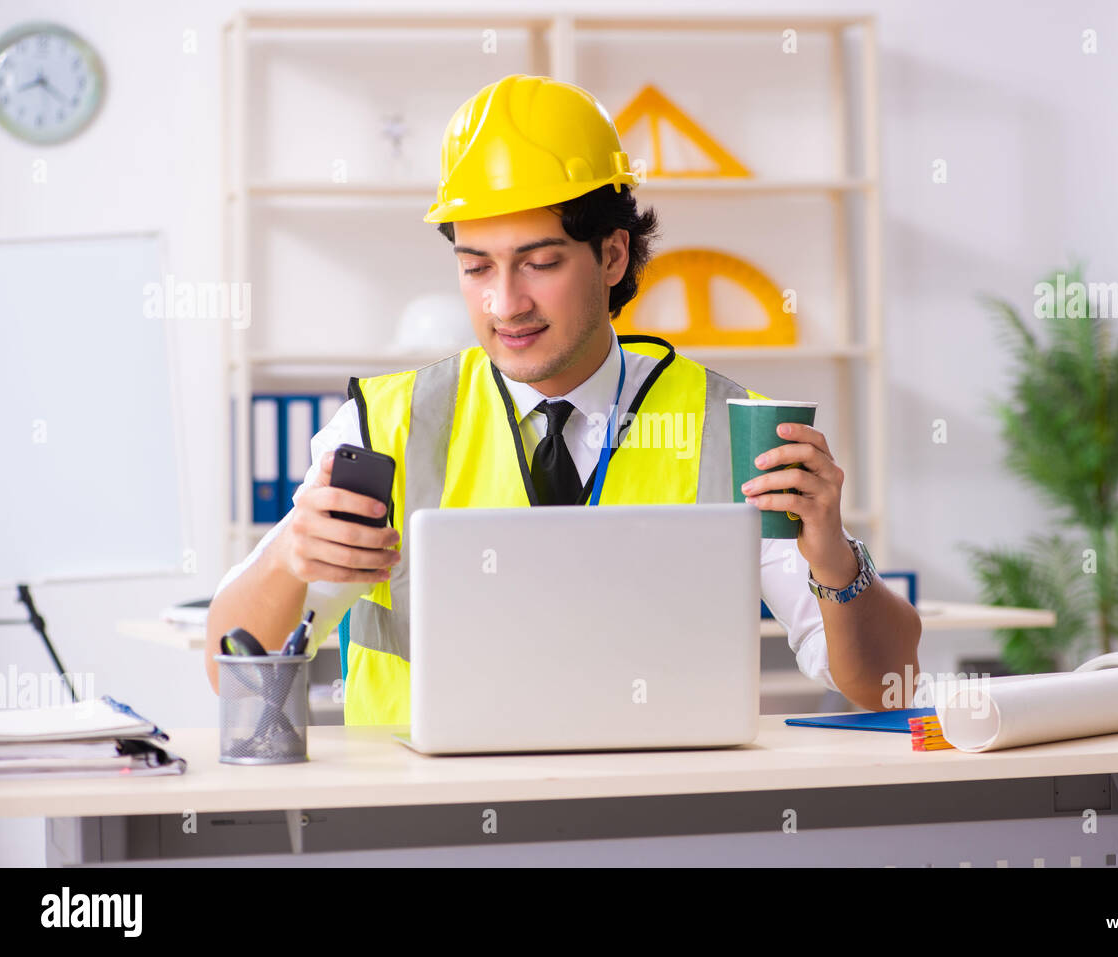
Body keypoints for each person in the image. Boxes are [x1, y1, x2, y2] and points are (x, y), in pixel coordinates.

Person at [205, 74, 921, 724]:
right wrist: (287, 561)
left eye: (540, 263)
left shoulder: (732, 432)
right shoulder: (382, 427)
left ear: (612, 255)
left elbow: (884, 684)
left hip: (662, 817)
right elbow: (229, 669)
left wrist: (833, 556)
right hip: (424, 824)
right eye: (476, 266)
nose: (504, 302)